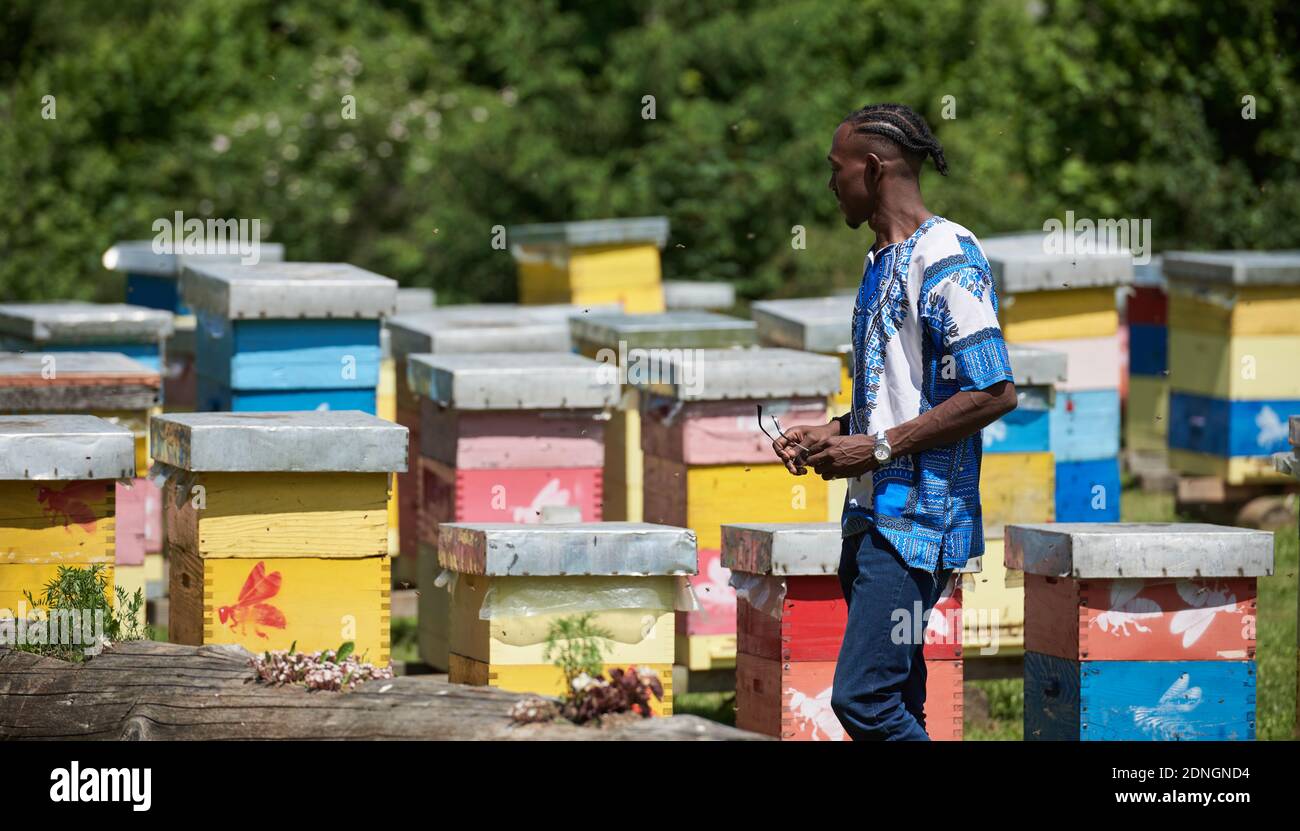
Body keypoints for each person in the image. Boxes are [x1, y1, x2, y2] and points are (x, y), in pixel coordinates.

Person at [771, 103, 1018, 741]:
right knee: (901, 695)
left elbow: (993, 391)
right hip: (871, 515)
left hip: (918, 523)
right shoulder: (880, 262)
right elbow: (906, 391)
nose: (830, 184)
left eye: (837, 169)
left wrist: (875, 448)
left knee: (861, 699)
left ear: (874, 169)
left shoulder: (949, 256)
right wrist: (837, 429)